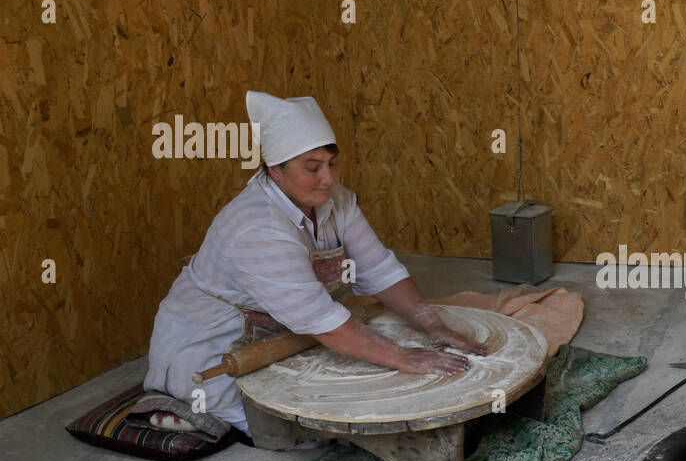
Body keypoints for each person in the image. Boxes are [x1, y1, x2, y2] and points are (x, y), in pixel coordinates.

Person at [143, 91, 486, 435]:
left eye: (331, 163)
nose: (329, 178)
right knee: (316, 433)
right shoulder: (257, 226)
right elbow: (321, 319)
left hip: (285, 330)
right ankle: (186, 404)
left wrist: (431, 325)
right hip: (213, 349)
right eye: (313, 168)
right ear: (275, 170)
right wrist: (403, 357)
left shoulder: (337, 201)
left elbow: (378, 269)